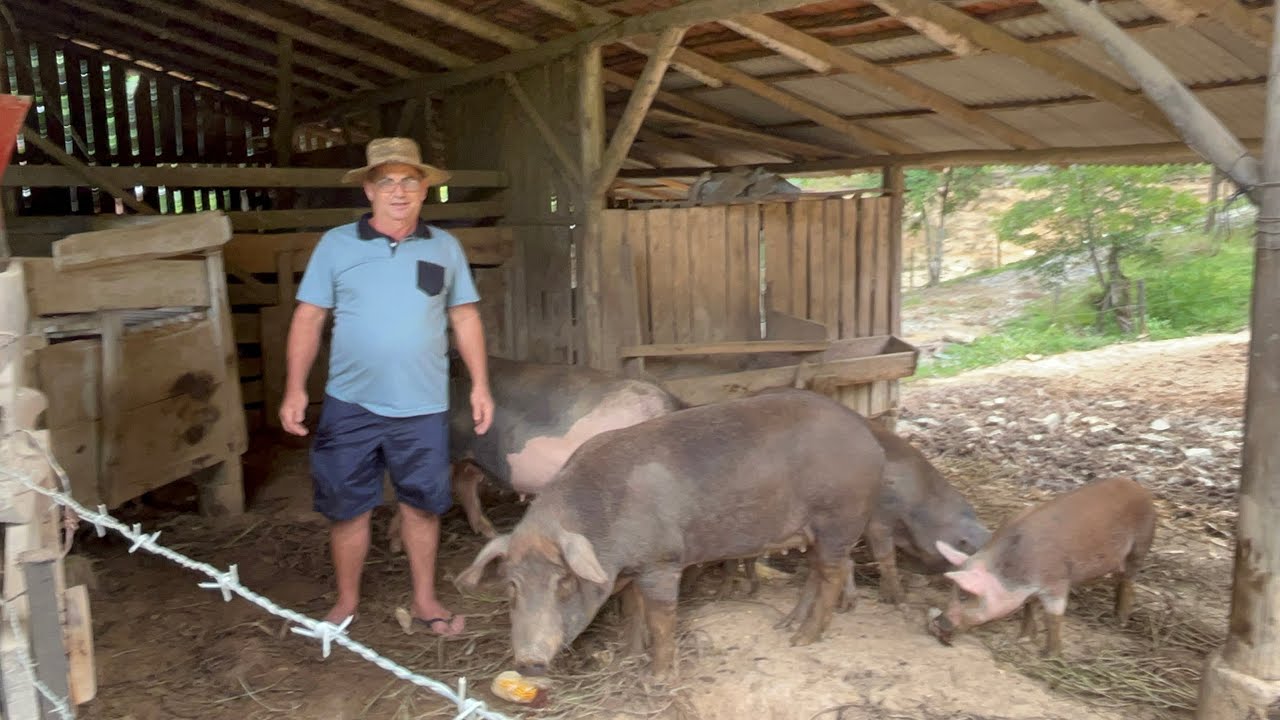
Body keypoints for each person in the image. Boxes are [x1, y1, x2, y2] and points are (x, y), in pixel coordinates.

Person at [279, 137, 494, 637]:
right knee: (348, 505)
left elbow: (464, 316)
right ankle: (346, 603)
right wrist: (294, 388)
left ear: (423, 191)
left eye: (409, 181)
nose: (399, 191)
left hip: (422, 405)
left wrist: (481, 385)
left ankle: (424, 600)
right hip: (351, 404)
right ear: (369, 191)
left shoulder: (445, 247)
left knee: (422, 505)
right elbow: (309, 317)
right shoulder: (336, 245)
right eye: (386, 182)